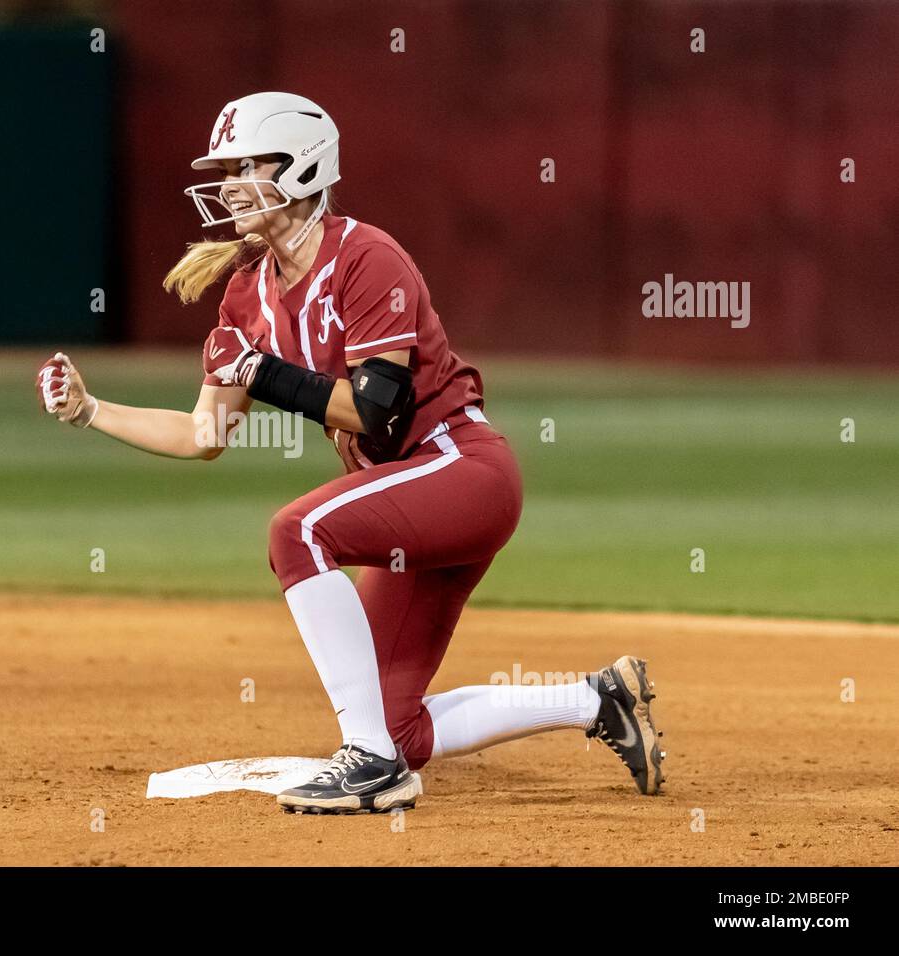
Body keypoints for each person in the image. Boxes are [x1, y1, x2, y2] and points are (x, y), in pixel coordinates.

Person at [38, 92, 664, 814]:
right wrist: (91, 410)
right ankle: (596, 702)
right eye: (227, 167)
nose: (231, 182)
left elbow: (376, 406)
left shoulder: (365, 256)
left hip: (462, 469)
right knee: (399, 723)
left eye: (249, 165)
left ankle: (369, 766)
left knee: (296, 531)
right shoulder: (246, 293)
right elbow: (203, 436)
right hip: (413, 490)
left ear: (302, 168)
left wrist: (259, 372)